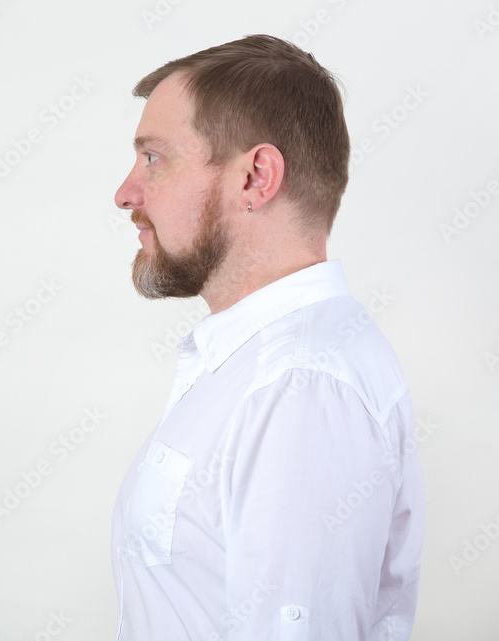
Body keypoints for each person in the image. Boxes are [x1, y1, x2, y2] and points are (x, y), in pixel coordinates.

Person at [109, 34, 425, 640]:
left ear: (256, 177)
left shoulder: (298, 386)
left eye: (155, 158)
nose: (126, 192)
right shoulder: (258, 365)